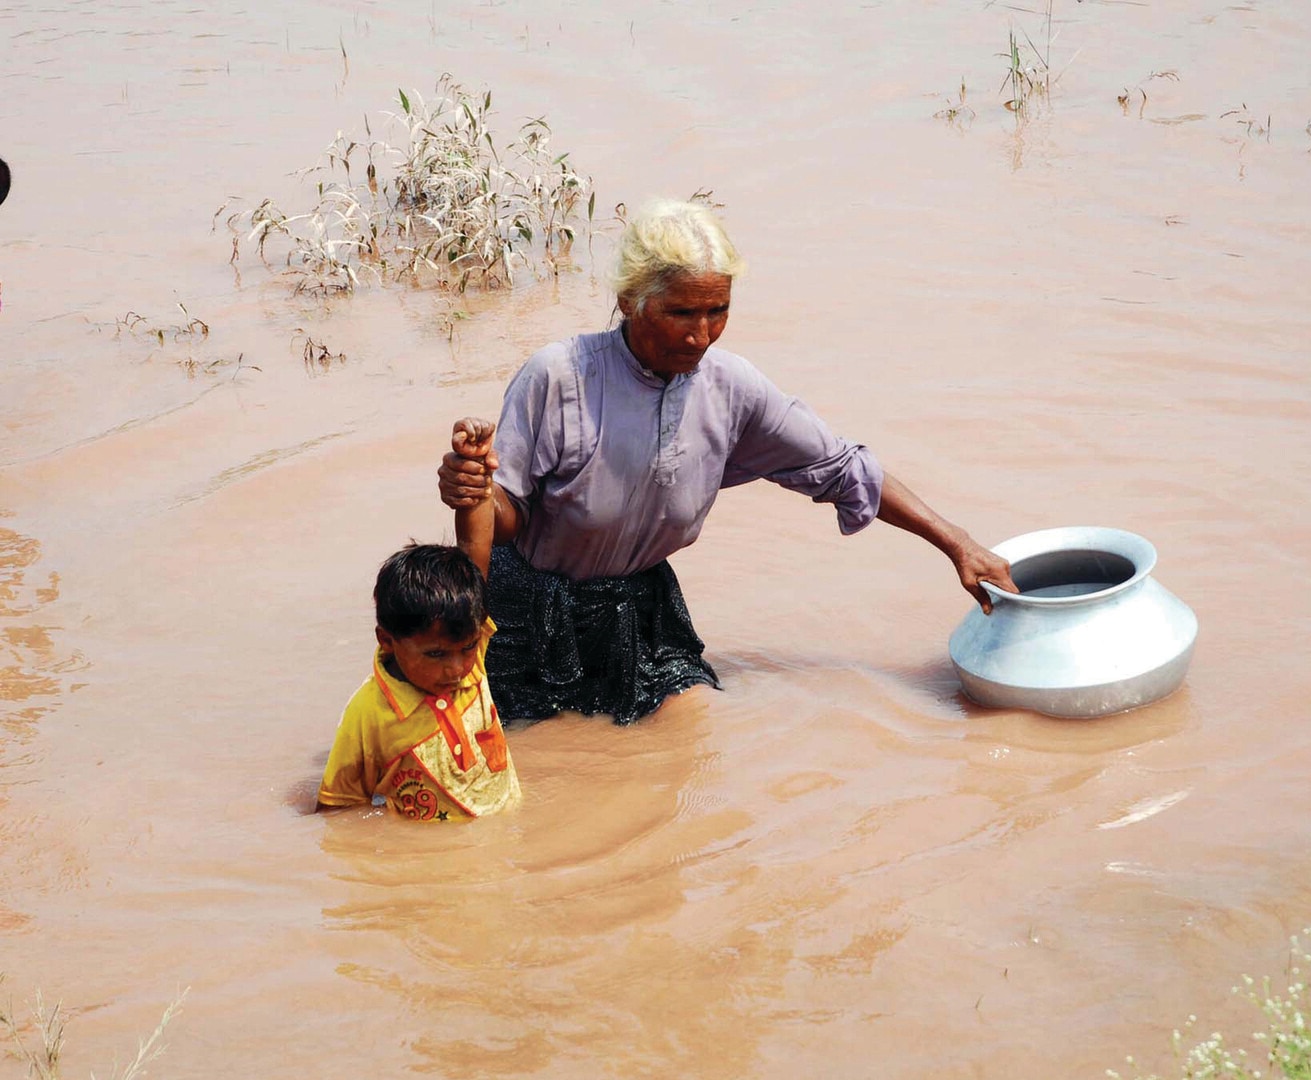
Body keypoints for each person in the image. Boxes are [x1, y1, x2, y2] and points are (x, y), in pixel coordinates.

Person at [437, 198, 1016, 726]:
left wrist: (956, 541)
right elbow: (508, 516)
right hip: (533, 607)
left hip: (639, 610)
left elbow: (843, 468)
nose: (700, 335)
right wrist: (474, 491)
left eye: (717, 310)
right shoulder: (559, 377)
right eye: (681, 312)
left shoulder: (732, 389)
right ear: (628, 301)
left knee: (697, 731)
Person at [318, 421, 521, 820]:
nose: (459, 668)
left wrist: (475, 471)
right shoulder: (369, 717)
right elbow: (337, 812)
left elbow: (474, 551)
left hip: (506, 841)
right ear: (387, 640)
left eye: (467, 649)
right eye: (436, 654)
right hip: (440, 866)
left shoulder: (469, 646)